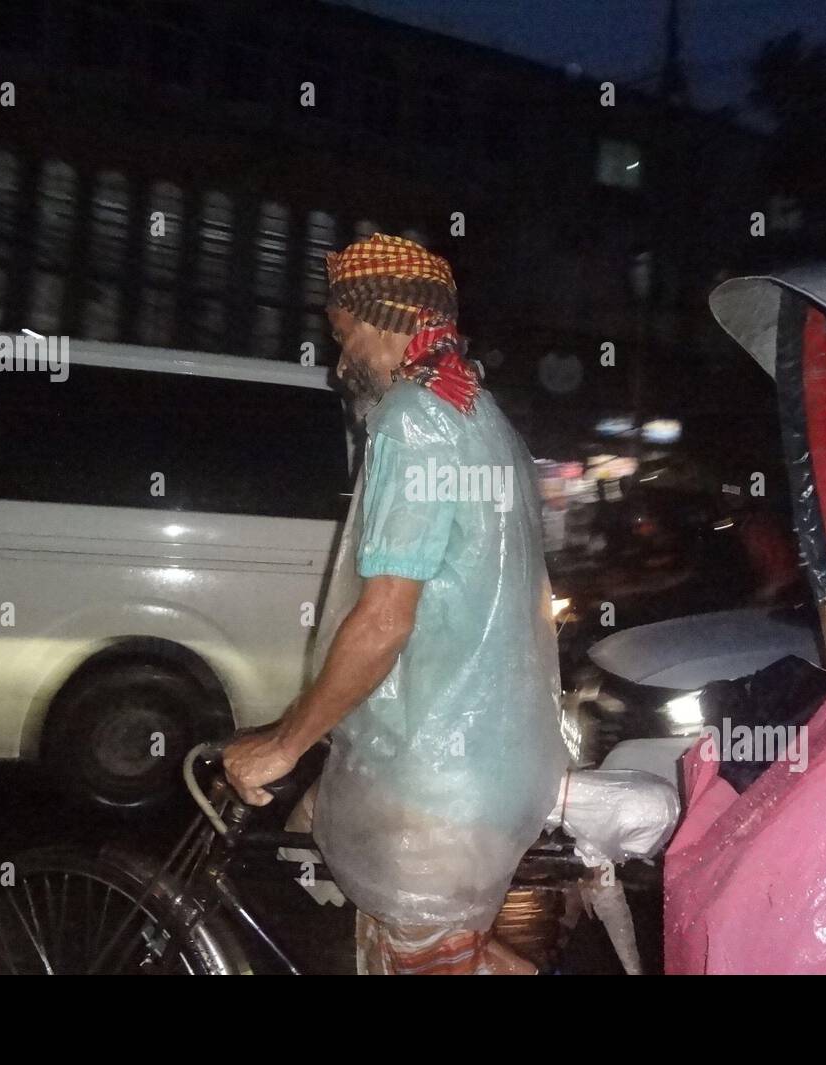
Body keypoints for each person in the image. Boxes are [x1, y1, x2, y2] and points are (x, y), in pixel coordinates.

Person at [222, 233, 569, 975]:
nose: (340, 360)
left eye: (342, 336)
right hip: (486, 760)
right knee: (439, 954)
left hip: (439, 778)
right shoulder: (486, 417)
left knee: (426, 958)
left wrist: (284, 745)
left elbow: (384, 620)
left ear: (381, 319)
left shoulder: (414, 419)